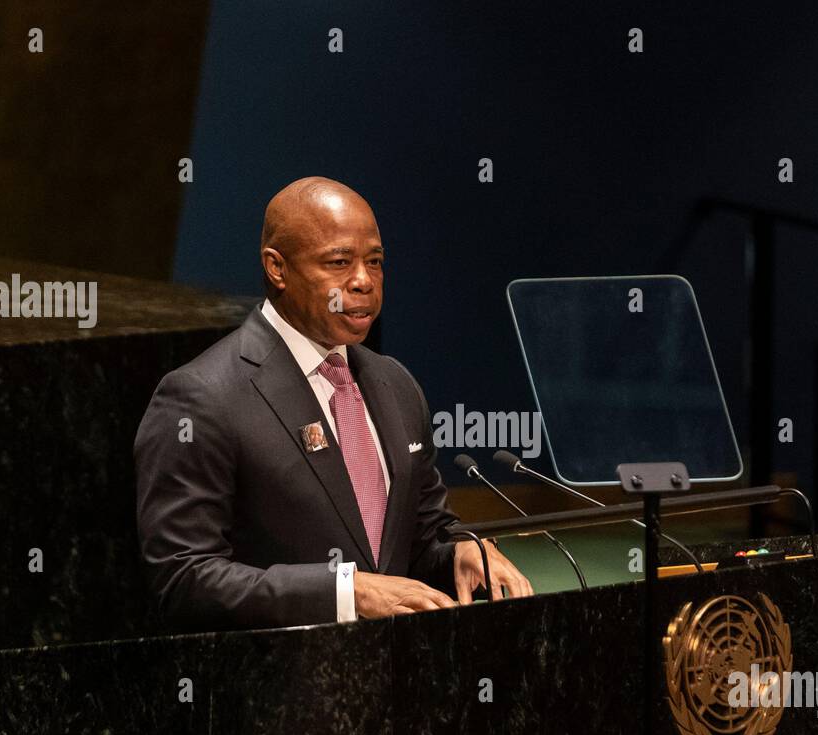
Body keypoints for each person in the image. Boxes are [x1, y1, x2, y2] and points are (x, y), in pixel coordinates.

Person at [133, 176, 532, 629]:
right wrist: (346, 591)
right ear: (277, 268)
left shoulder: (394, 384)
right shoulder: (201, 397)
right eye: (339, 262)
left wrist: (461, 552)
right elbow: (183, 578)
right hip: (273, 685)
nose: (363, 281)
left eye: (375, 261)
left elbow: (421, 537)